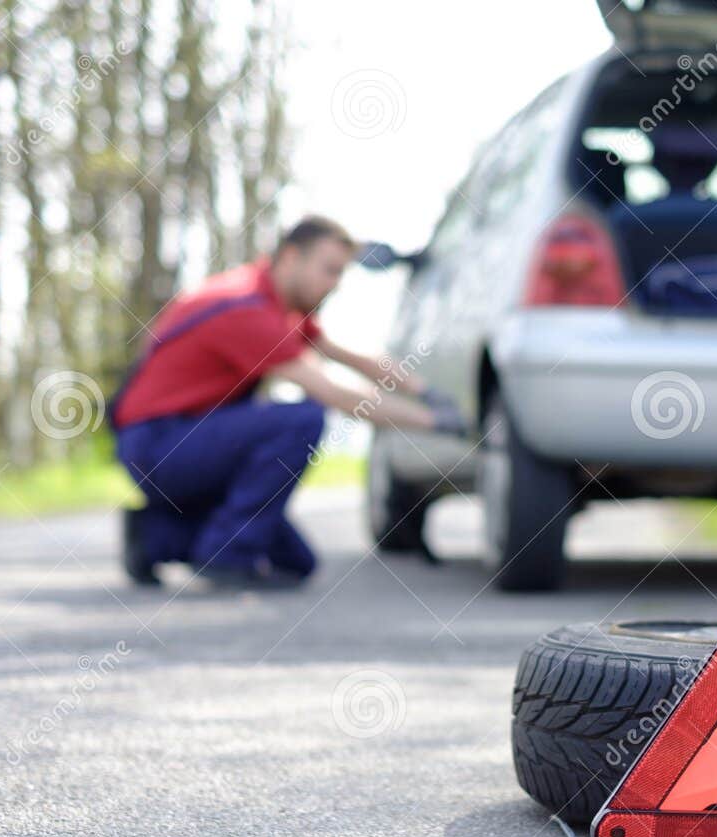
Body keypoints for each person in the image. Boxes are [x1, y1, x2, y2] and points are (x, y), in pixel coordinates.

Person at [111, 215, 462, 589]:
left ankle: (153, 534)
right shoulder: (245, 307)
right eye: (329, 270)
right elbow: (335, 394)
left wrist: (422, 390)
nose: (336, 284)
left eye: (341, 272)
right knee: (302, 420)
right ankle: (226, 554)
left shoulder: (271, 301)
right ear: (292, 257)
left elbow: (348, 357)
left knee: (297, 563)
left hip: (188, 438)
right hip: (160, 444)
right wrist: (437, 422)